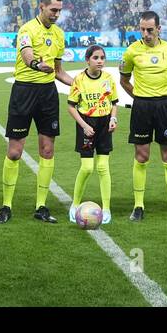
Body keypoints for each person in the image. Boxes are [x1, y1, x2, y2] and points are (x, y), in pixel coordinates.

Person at [0, 0, 71, 224]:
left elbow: (59, 72)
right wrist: (38, 65)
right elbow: (28, 56)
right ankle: (6, 205)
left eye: (59, 10)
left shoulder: (59, 35)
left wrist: (82, 83)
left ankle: (41, 206)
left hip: (47, 95)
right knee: (15, 151)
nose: (57, 15)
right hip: (24, 91)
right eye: (53, 10)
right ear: (41, 7)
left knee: (47, 150)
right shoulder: (27, 29)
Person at [120, 11, 167, 221]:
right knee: (142, 156)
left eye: (150, 29)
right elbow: (124, 80)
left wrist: (164, 97)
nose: (146, 33)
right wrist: (139, 97)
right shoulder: (131, 51)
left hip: (164, 106)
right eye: (142, 29)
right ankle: (138, 206)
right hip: (141, 107)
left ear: (159, 29)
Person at [67, 46, 118, 224]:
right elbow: (71, 107)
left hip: (105, 125)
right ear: (87, 60)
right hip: (86, 124)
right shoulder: (79, 80)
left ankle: (106, 209)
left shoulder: (108, 79)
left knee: (103, 167)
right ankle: (74, 205)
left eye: (102, 57)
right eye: (96, 57)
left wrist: (113, 119)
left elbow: (114, 103)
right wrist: (84, 126)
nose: (100, 61)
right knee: (88, 167)